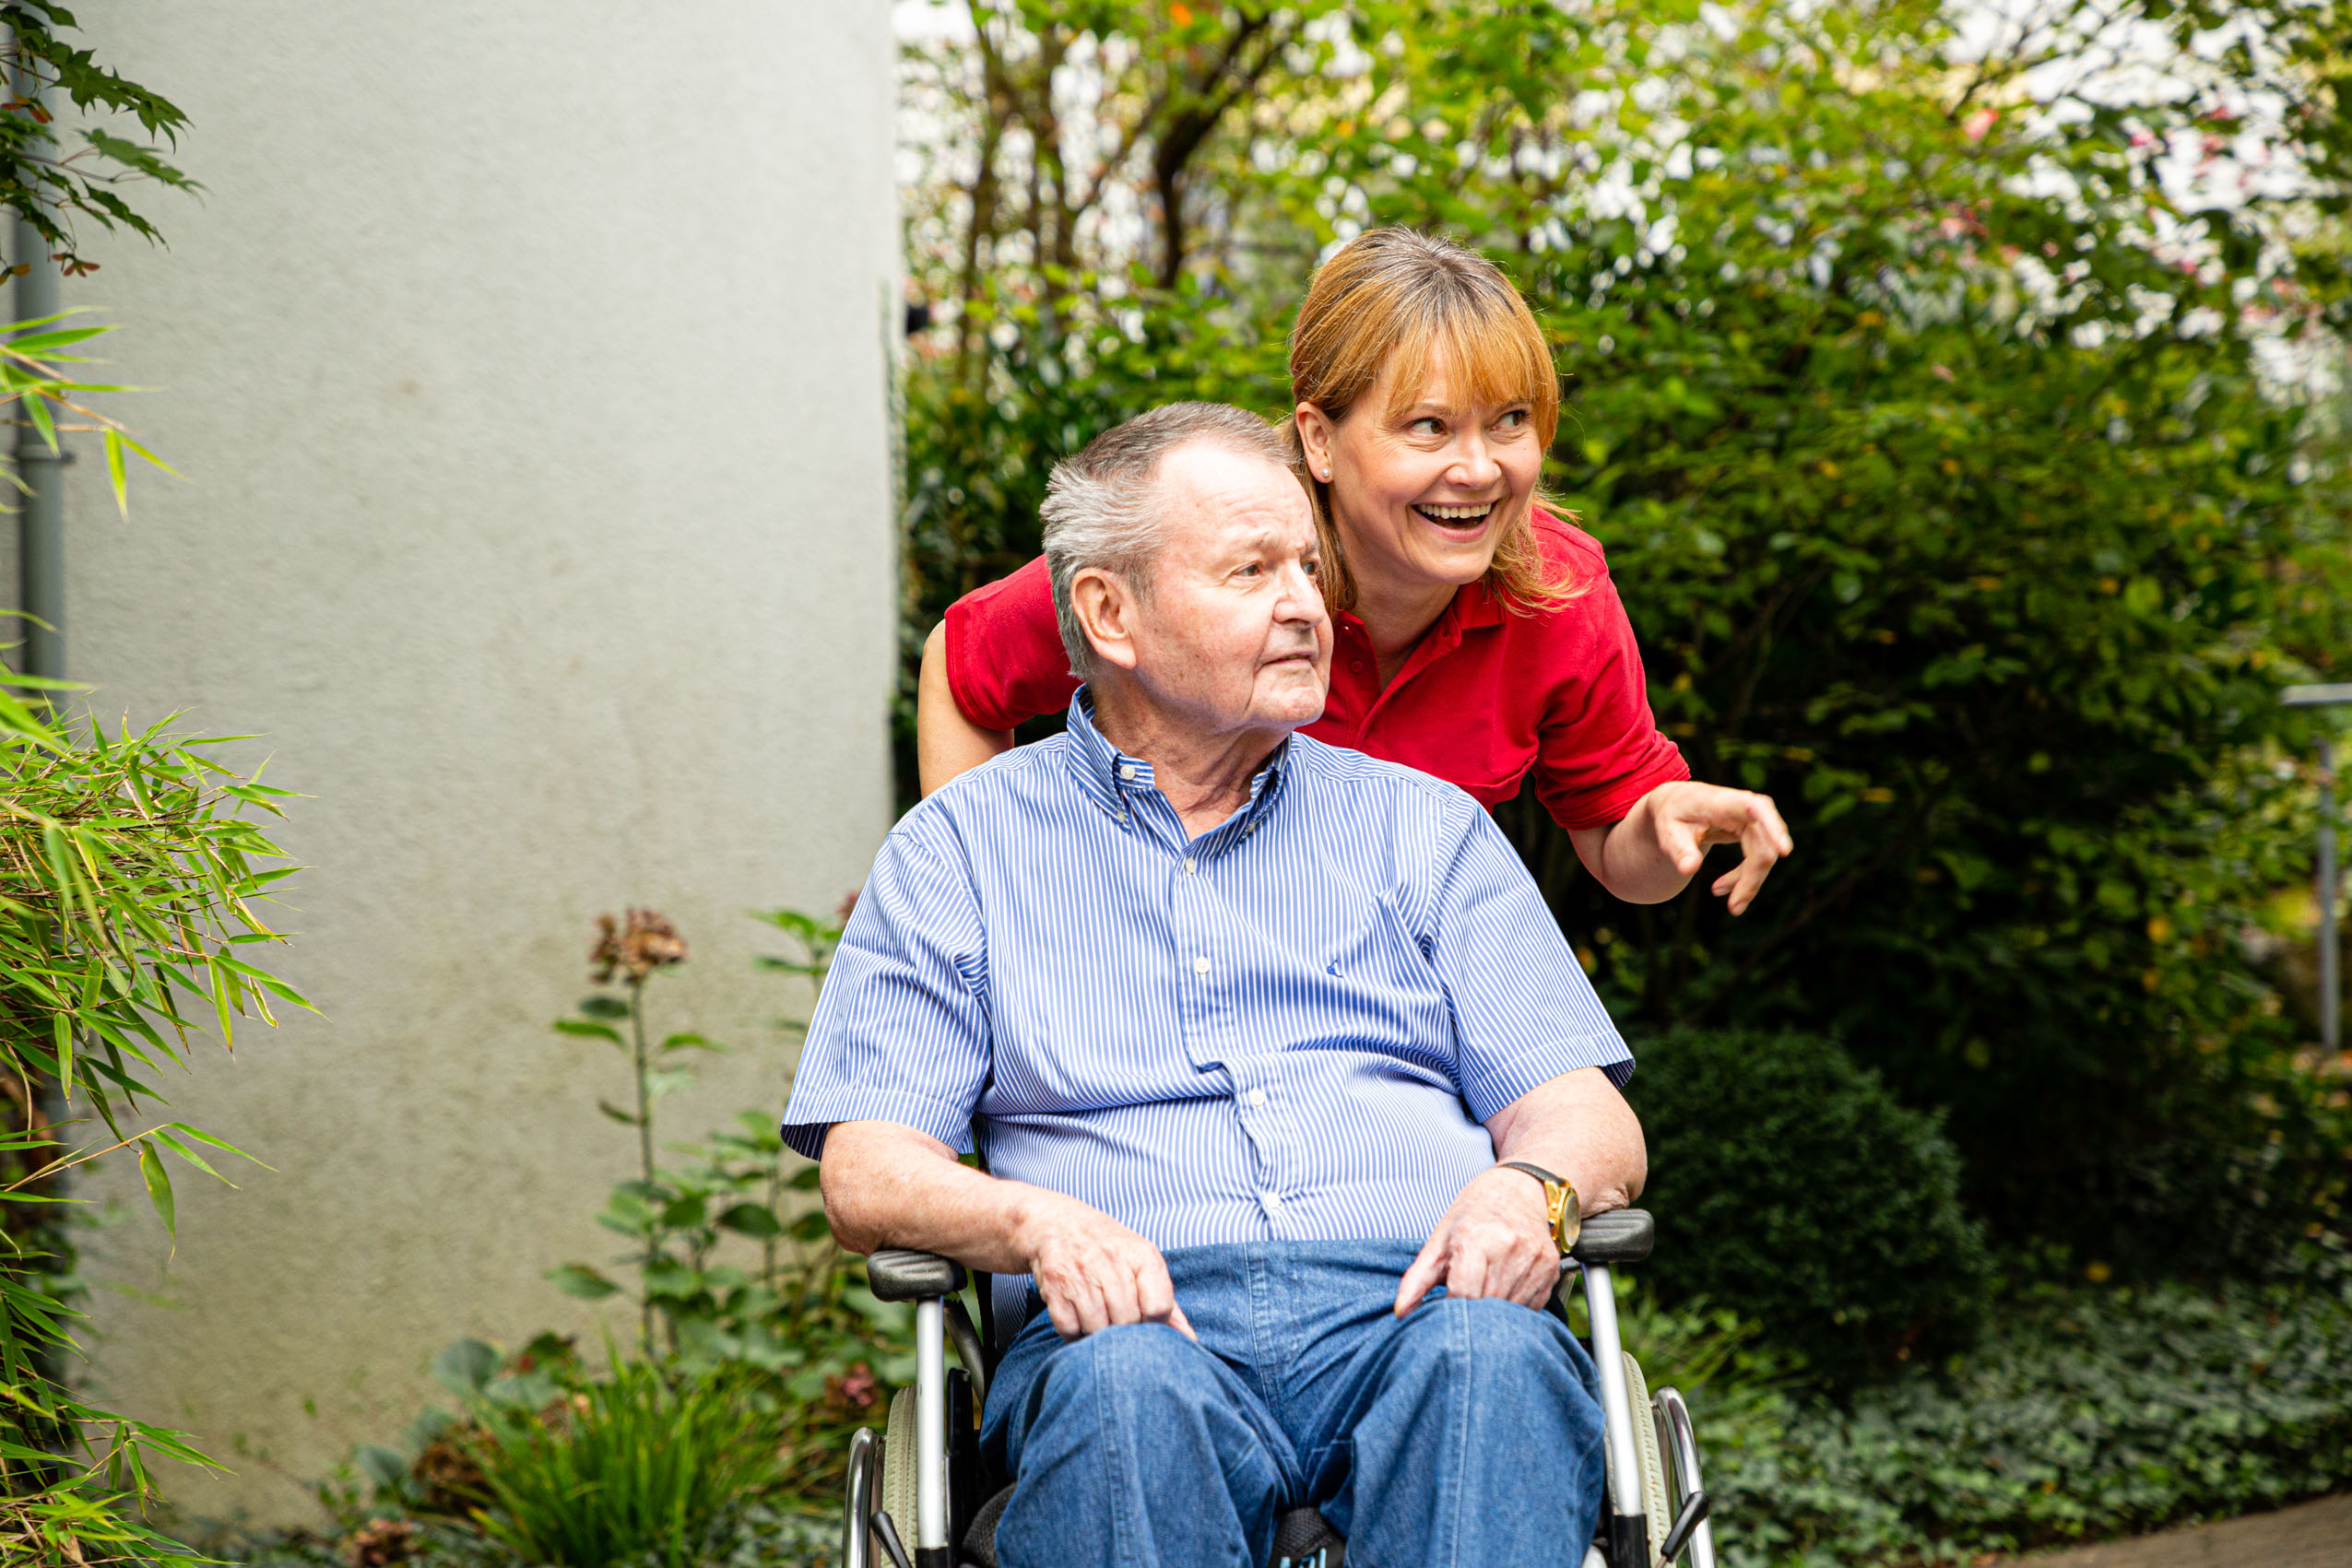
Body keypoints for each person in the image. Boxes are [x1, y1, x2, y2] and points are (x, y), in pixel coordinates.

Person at [785, 403, 1646, 1568]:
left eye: (1306, 564)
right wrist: (1031, 1222)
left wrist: (1531, 1189)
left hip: (1418, 1315)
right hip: (1133, 1334)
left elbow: (1583, 1110)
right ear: (1108, 613)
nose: (1304, 603)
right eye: (1251, 570)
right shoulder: (960, 853)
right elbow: (868, 1168)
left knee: (1494, 1360)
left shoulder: (1424, 831)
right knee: (1126, 1393)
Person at [919, 227, 1791, 914]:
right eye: (1427, 426)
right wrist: (1001, 913)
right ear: (1318, 438)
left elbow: (1617, 847)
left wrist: (1663, 825)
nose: (1479, 468)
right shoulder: (1194, 548)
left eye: (1510, 420)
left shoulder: (1557, 589)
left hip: (1386, 1025)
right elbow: (962, 672)